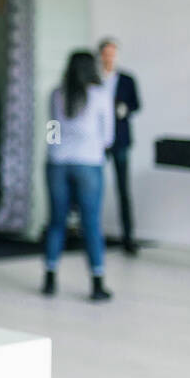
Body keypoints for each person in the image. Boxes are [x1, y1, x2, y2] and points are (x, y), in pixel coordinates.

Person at [43, 50, 114, 301]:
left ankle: (50, 279)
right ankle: (97, 283)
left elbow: (52, 130)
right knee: (91, 224)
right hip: (88, 163)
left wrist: (57, 151)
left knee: (56, 222)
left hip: (57, 163)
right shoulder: (100, 95)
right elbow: (108, 137)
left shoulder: (56, 94)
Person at [99, 37, 141, 254]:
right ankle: (89, 234)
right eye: (105, 53)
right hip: (97, 142)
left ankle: (128, 237)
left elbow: (136, 104)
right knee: (92, 187)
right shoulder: (94, 79)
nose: (109, 57)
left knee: (123, 189)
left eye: (112, 53)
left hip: (120, 139)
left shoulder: (126, 79)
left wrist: (125, 109)